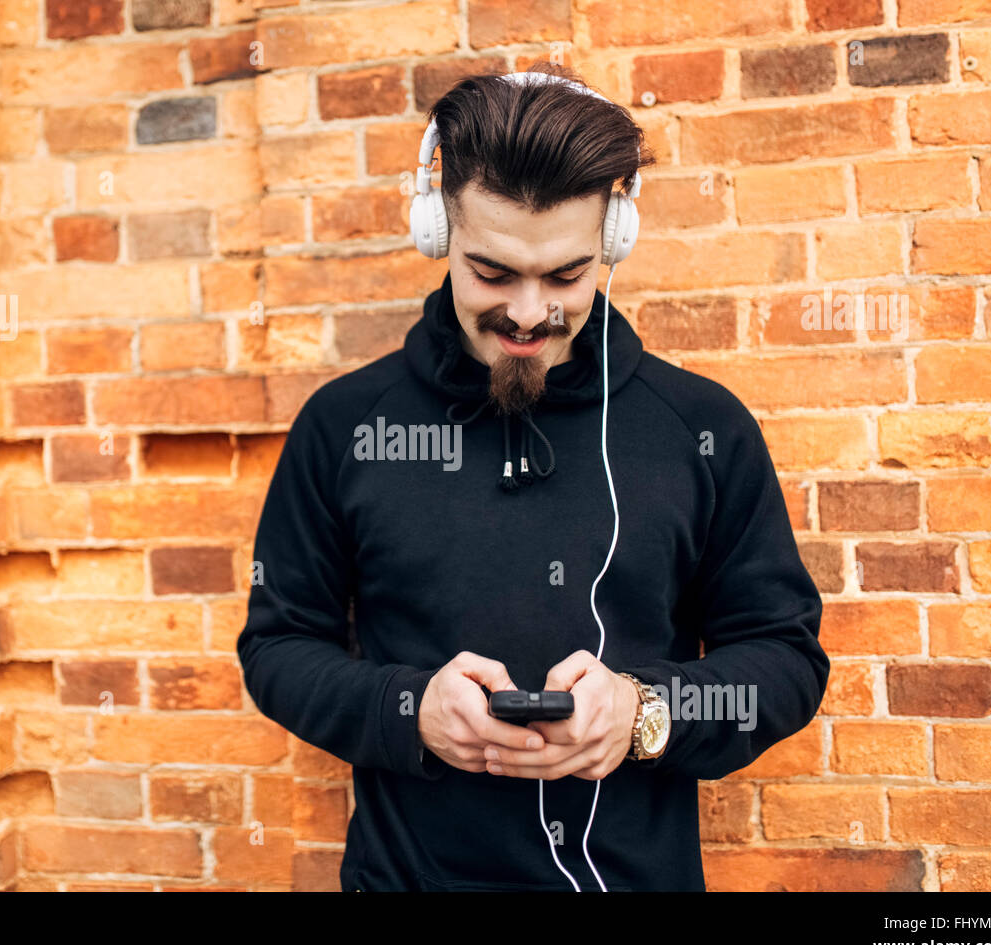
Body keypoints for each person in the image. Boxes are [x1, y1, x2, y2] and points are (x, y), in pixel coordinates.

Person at [236, 64, 829, 891]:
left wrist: (644, 714)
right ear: (438, 231)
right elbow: (277, 647)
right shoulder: (345, 425)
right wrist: (410, 711)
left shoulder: (702, 427)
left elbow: (786, 660)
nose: (525, 312)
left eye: (564, 276)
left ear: (611, 244)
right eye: (491, 271)